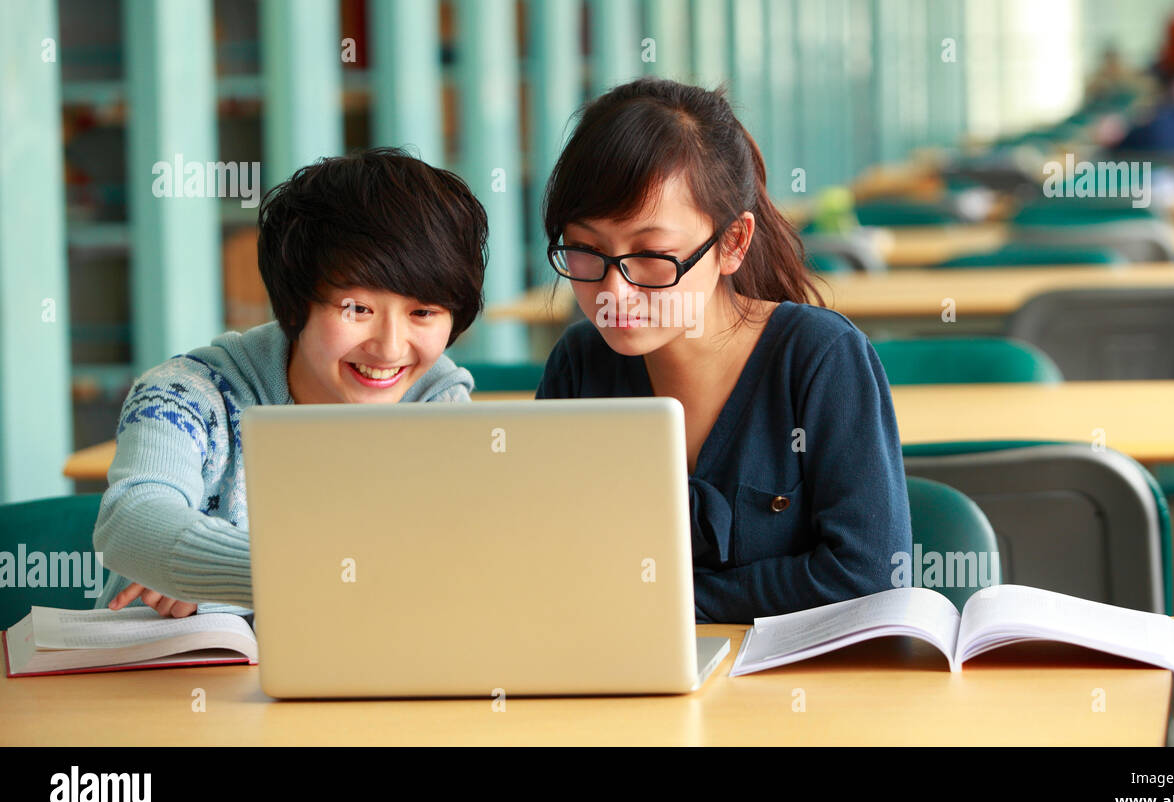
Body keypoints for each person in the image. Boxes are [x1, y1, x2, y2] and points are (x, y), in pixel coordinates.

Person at [534, 77, 912, 624]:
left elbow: (867, 576)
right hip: (629, 691)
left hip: (805, 701)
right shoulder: (579, 366)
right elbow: (549, 563)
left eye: (651, 254)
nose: (615, 293)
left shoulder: (820, 358)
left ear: (732, 243)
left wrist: (667, 601)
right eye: (587, 251)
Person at [93, 148, 488, 618]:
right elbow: (132, 522)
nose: (389, 347)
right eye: (356, 309)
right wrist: (307, 574)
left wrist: (218, 578)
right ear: (296, 304)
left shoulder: (435, 399)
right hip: (170, 682)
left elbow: (451, 564)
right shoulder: (186, 395)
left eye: (423, 312)